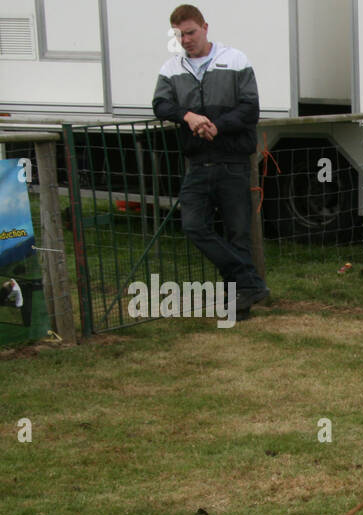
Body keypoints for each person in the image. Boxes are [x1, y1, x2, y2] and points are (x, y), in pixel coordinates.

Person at [152, 4, 270, 319]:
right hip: (197, 162)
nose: (186, 40)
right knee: (192, 226)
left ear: (205, 27)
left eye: (190, 32)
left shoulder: (235, 59)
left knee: (237, 233)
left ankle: (239, 307)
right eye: (179, 35)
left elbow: (250, 109)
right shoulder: (172, 67)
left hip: (232, 161)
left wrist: (218, 126)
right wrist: (188, 116)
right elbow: (160, 105)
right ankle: (251, 284)